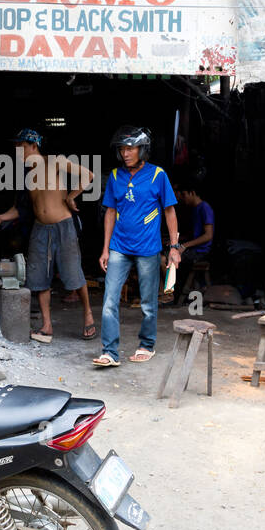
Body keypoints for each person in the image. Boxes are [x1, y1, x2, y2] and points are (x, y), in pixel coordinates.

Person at [0, 128, 96, 343]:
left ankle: (88, 315)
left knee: (73, 274)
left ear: (34, 146)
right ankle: (46, 325)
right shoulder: (25, 175)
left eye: (22, 147)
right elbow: (21, 209)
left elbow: (88, 175)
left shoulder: (54, 161)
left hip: (63, 226)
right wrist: (1, 217)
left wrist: (71, 197)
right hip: (40, 229)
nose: (18, 151)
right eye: (16, 148)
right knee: (39, 278)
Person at [94, 126, 182, 367]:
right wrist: (105, 248)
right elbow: (110, 212)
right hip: (119, 247)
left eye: (130, 148)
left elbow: (169, 211)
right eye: (122, 149)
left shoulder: (157, 175)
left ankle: (147, 345)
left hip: (148, 248)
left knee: (147, 302)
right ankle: (110, 352)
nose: (125, 153)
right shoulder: (114, 176)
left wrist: (174, 247)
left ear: (143, 150)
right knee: (109, 300)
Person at [162, 178, 214, 304]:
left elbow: (208, 235)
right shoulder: (194, 209)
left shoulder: (204, 208)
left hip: (201, 251)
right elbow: (194, 235)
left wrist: (184, 245)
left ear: (192, 193)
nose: (183, 198)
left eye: (184, 195)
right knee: (165, 253)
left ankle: (171, 294)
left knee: (167, 259)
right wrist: (174, 240)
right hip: (193, 248)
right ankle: (172, 292)